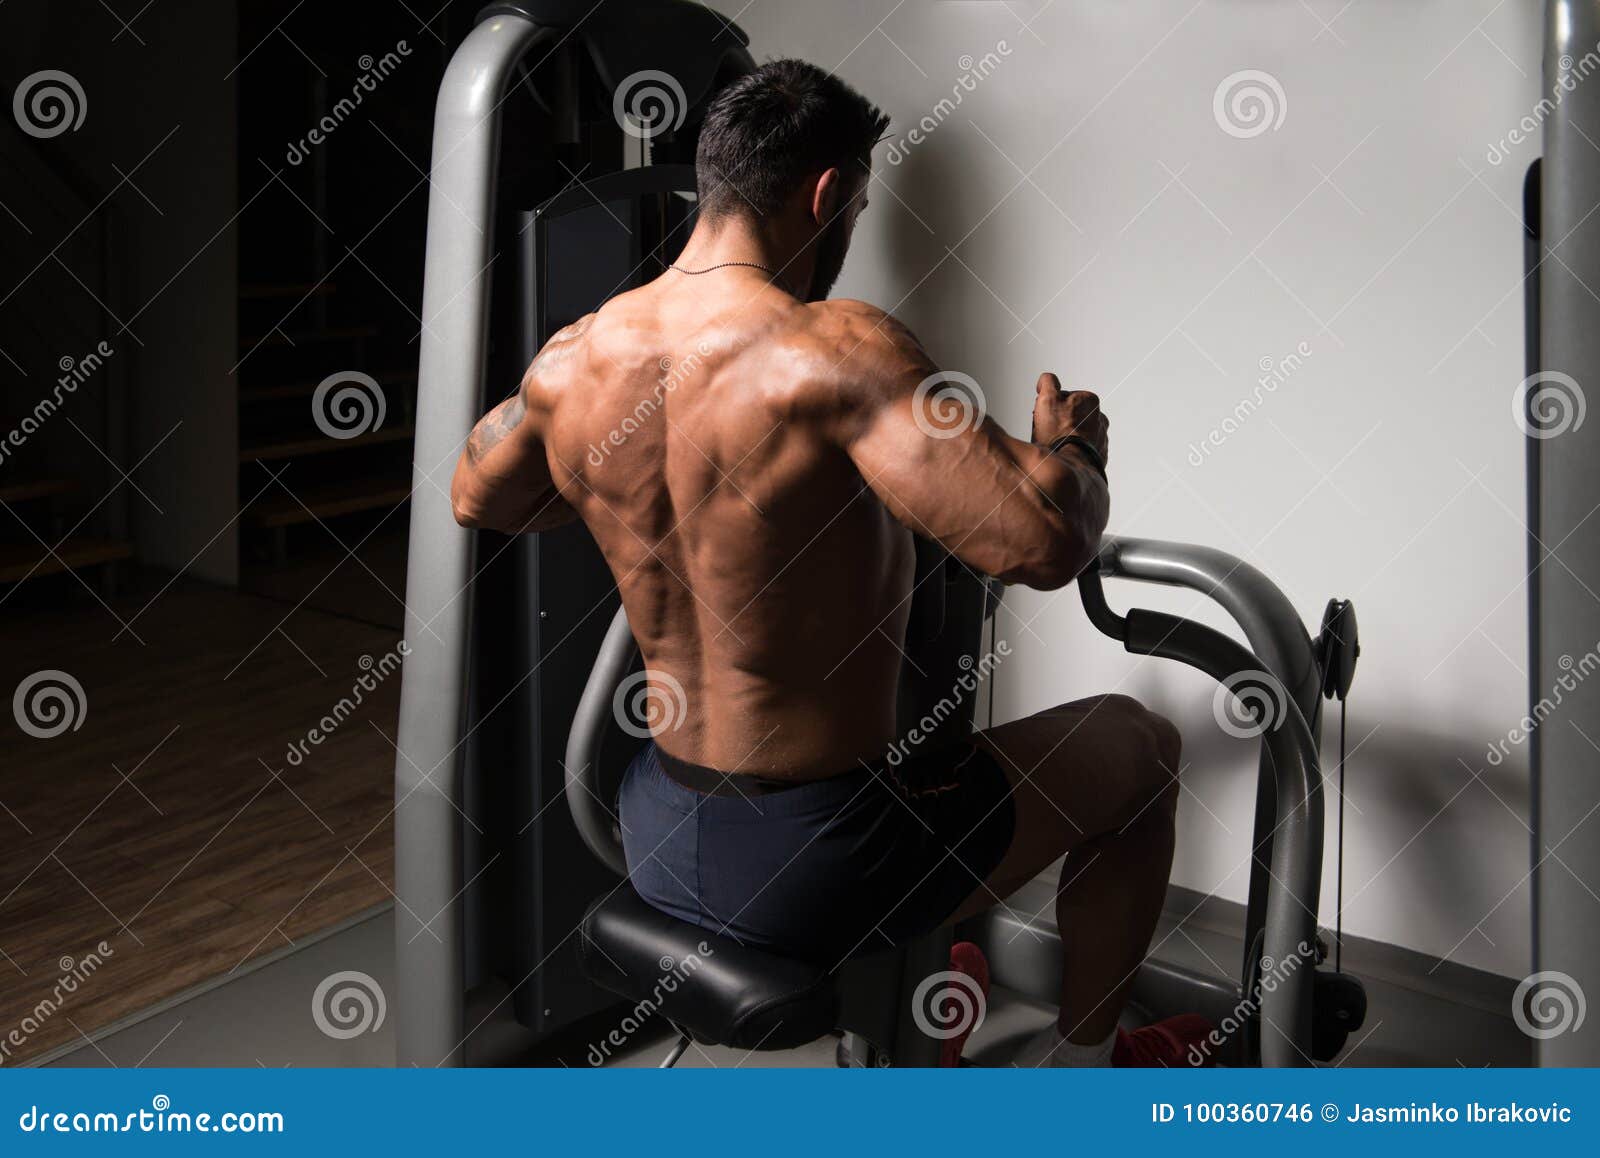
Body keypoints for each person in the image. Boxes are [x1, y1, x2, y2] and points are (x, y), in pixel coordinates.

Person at [451, 59, 1205, 1067]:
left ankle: (933, 999)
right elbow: (1043, 544)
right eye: (854, 206)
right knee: (1140, 744)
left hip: (657, 824)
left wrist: (627, 490)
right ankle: (1087, 1077)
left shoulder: (572, 361)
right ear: (826, 194)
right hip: (820, 855)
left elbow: (478, 497)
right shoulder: (832, 347)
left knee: (933, 764)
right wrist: (1074, 451)